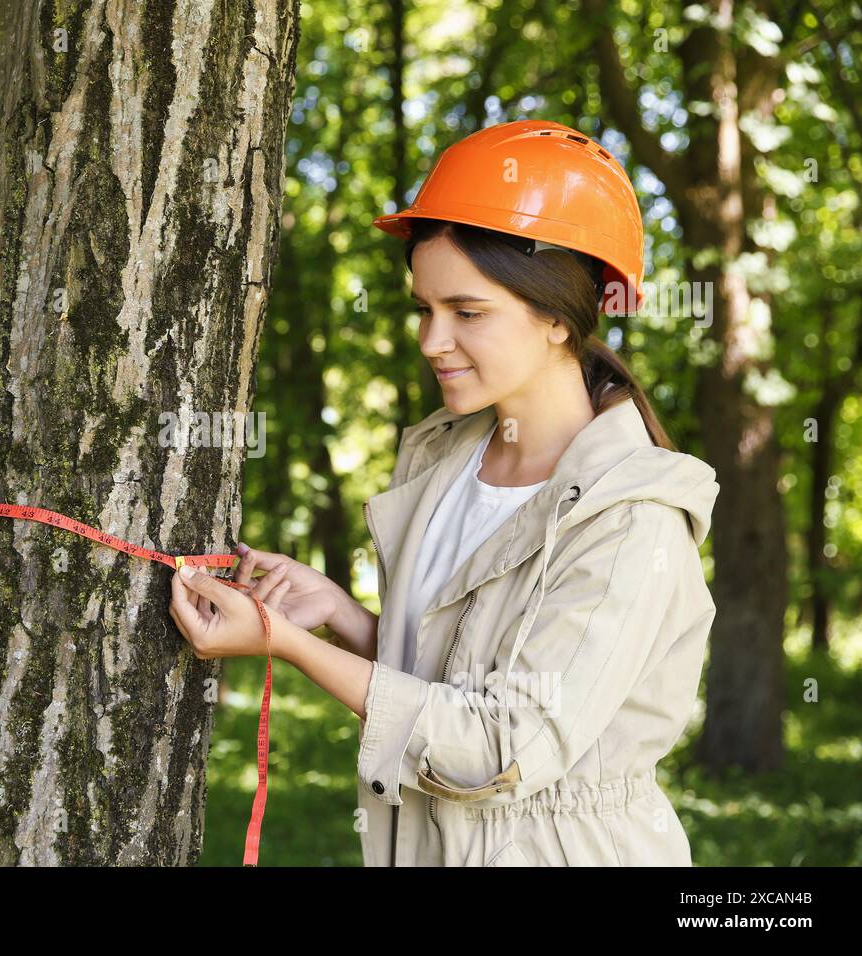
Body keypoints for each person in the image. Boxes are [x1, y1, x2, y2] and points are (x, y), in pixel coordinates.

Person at [168, 119, 719, 866]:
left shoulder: (630, 521)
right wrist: (336, 614)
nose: (432, 340)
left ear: (558, 316)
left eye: (467, 313)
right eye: (425, 309)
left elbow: (498, 746)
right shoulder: (444, 458)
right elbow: (448, 685)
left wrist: (289, 647)